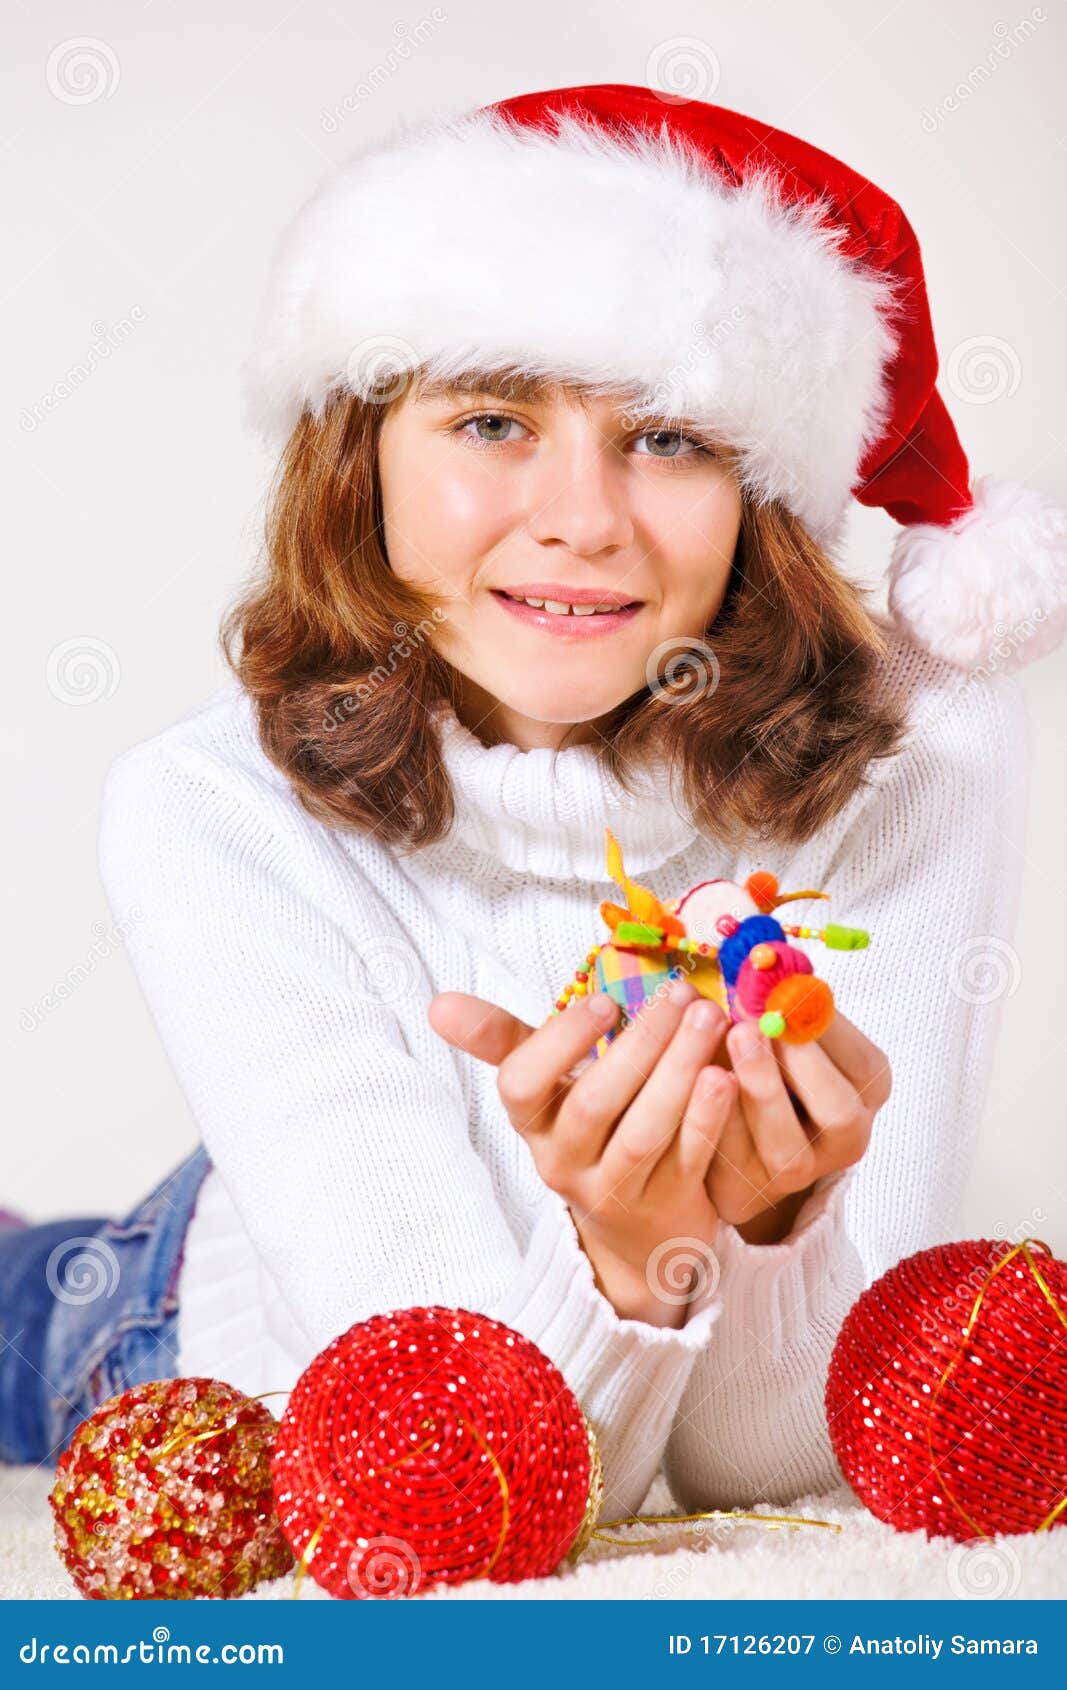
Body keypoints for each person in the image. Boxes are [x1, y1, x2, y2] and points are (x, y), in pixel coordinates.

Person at [2, 84, 1062, 1525]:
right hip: (178, 1287)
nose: (583, 519)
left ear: (770, 492)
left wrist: (739, 1232)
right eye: (493, 419)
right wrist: (626, 1251)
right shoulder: (210, 812)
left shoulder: (912, 762)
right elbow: (463, 1468)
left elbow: (779, 1457)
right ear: (360, 452)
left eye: (674, 435)